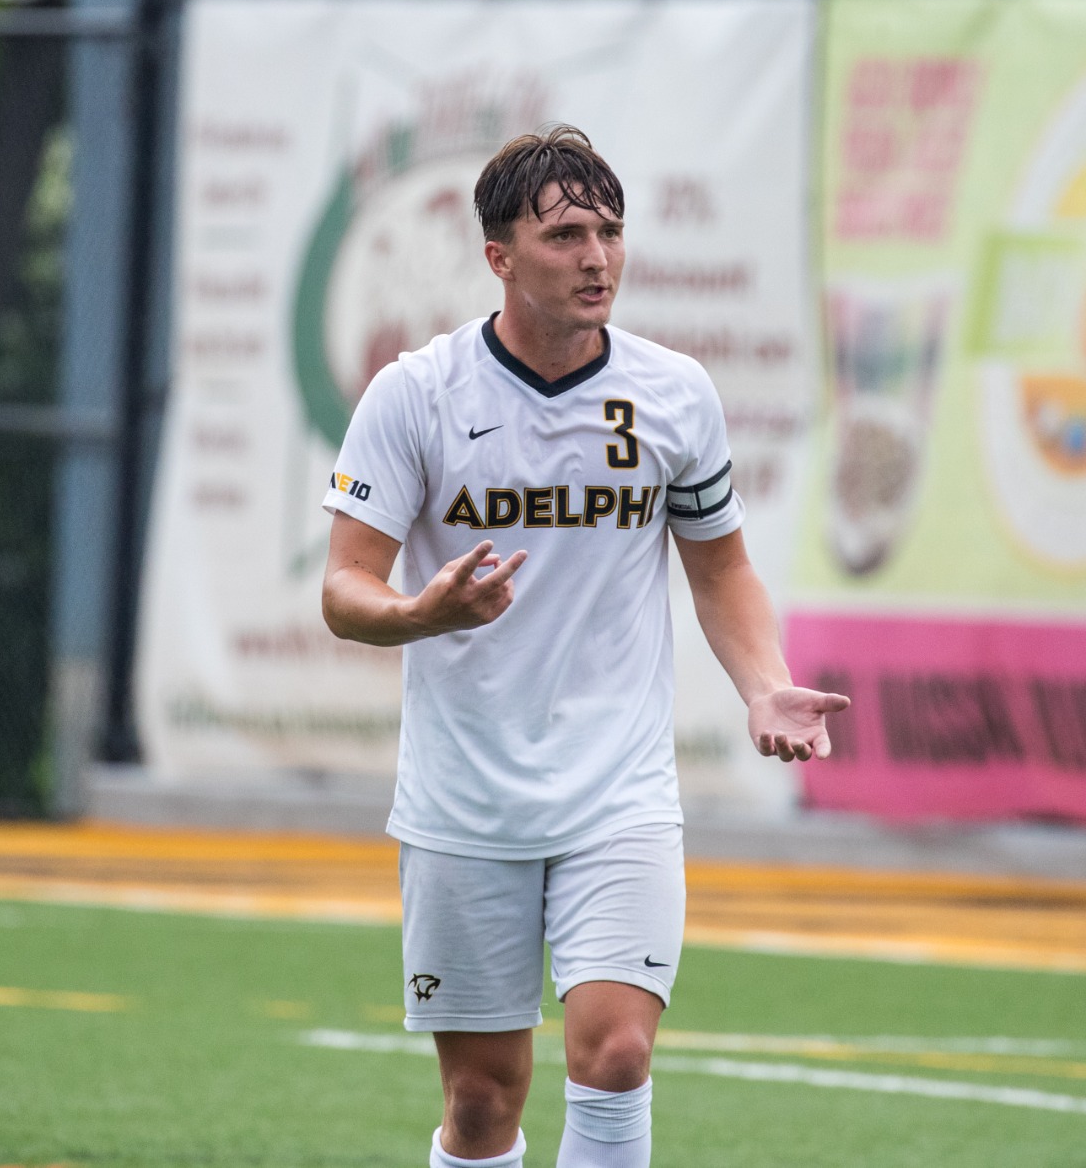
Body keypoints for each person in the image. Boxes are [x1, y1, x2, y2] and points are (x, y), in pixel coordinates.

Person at [320, 124, 849, 1168]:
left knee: (613, 1052)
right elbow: (344, 588)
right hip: (465, 799)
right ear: (498, 257)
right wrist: (418, 613)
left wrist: (764, 684)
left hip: (619, 794)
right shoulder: (415, 394)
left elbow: (720, 567)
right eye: (565, 234)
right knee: (483, 1099)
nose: (597, 255)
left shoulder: (673, 394)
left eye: (609, 231)